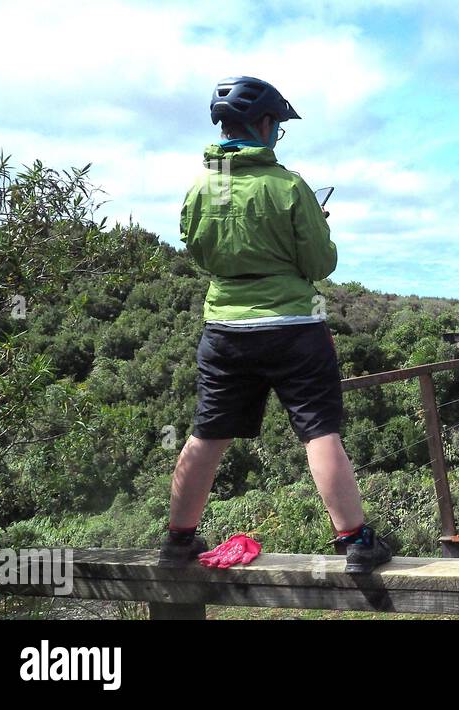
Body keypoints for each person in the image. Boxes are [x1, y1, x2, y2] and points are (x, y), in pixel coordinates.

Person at [158, 76, 392, 574]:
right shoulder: (288, 186)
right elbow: (320, 262)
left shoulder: (205, 186)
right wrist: (316, 224)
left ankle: (178, 540)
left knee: (206, 433)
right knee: (318, 431)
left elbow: (198, 250)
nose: (277, 135)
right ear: (264, 125)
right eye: (277, 127)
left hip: (224, 328)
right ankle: (356, 542)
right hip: (292, 327)